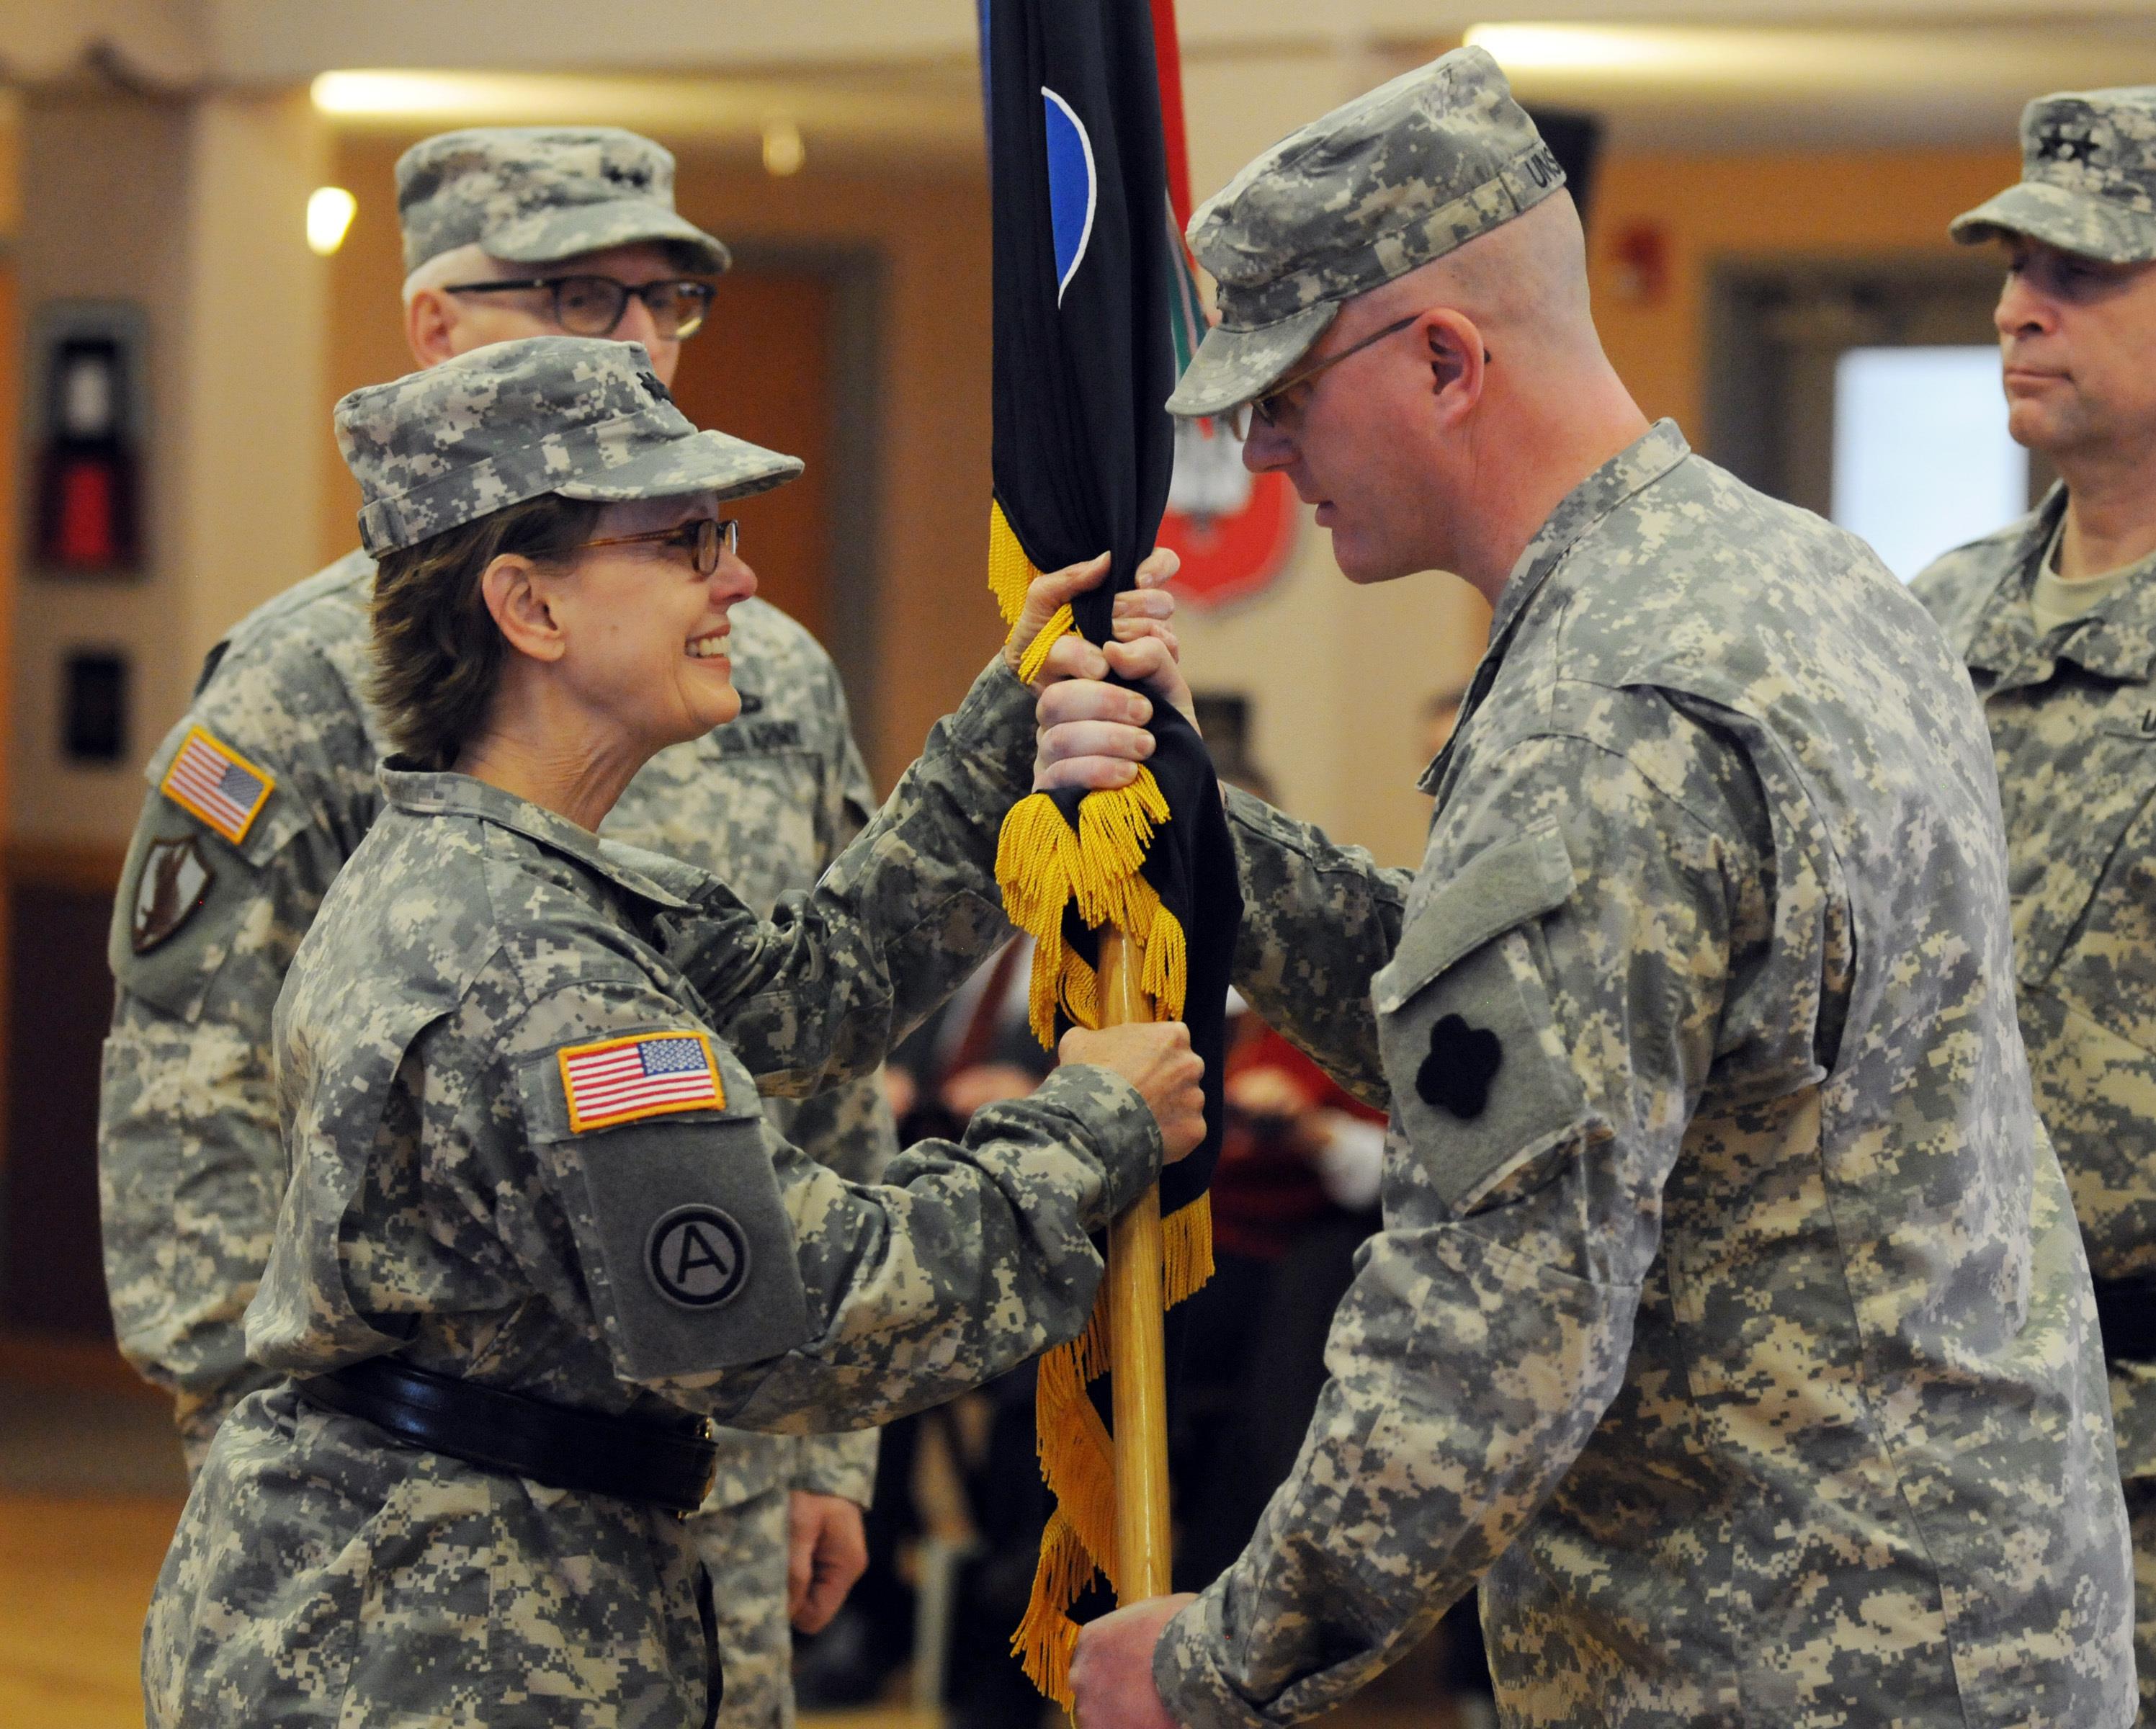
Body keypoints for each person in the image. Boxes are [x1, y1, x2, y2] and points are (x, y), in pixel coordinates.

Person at [1019, 48, 2132, 1728]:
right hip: (1952, 1607)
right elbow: (1542, 1042)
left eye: (1286, 390)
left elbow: (1496, 1319)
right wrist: (1200, 829)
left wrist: (1214, 1661)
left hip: (1769, 1639)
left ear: (1447, 360)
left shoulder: (1607, 706)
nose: (1256, 447)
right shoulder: (1796, 576)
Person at [143, 334, 1205, 1728]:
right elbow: (798, 1319)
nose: (739, 584)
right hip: (445, 1647)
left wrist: (1013, 719)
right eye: (685, 543)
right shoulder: (527, 959)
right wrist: (1090, 1131)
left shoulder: (496, 872)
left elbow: (807, 990)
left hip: (451, 1597)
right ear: (527, 605)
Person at [96, 127, 892, 1724]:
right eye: (578, 293)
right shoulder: (304, 683)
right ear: (435, 329)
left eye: (668, 295)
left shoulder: (773, 674)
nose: (637, 339)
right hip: (415, 1501)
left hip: (710, 1460)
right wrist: (255, 1424)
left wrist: (826, 1443)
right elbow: (187, 1078)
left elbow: (825, 1054)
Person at [1907, 84, 2156, 1721]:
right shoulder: (1929, 623)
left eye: (2078, 267)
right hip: (1952, 1451)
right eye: (2009, 265)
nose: (2016, 305)